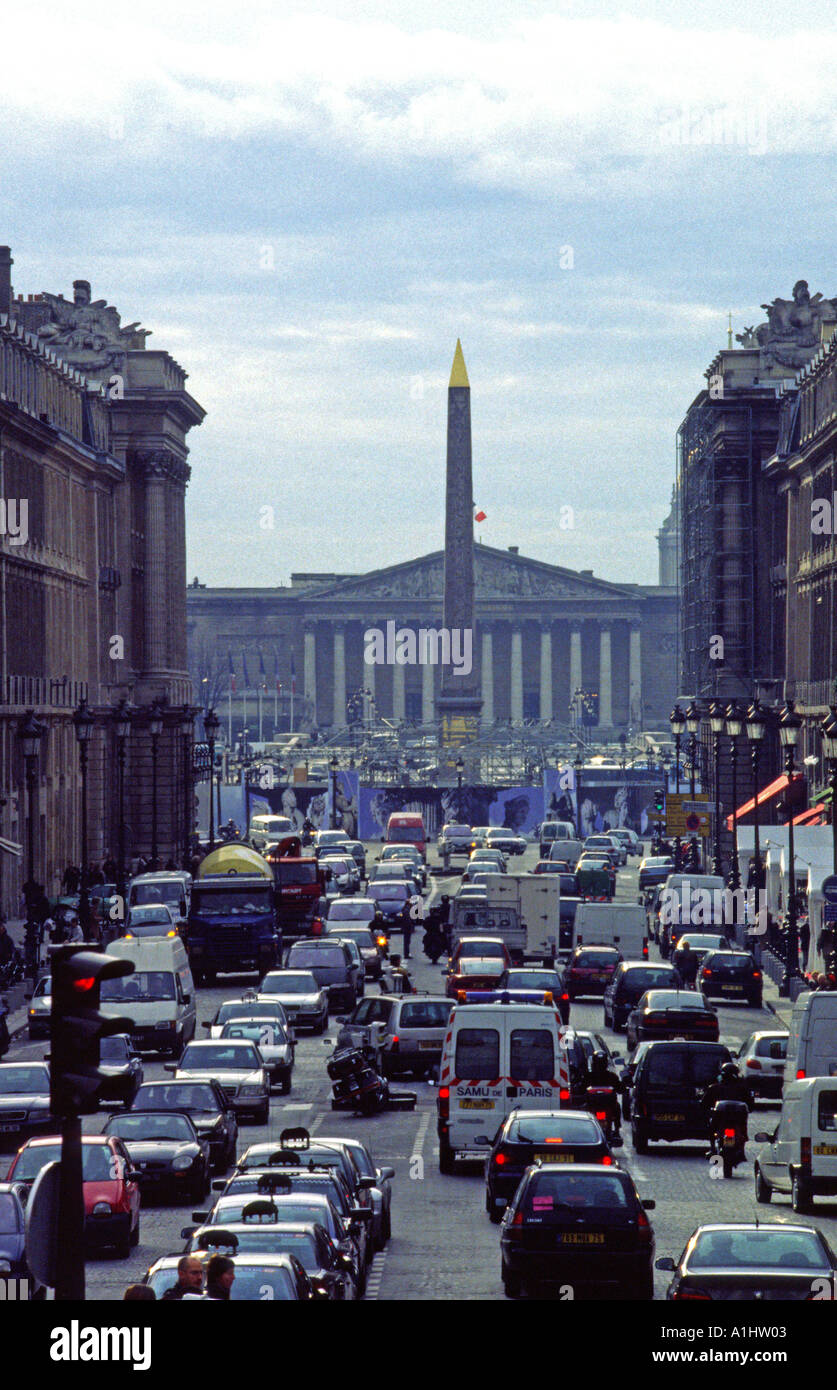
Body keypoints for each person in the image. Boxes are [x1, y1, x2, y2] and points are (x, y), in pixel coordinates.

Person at [702, 1062, 750, 1155]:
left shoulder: (715, 1087)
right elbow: (751, 1104)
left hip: (725, 1119)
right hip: (730, 1120)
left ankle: (712, 1148)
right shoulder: (742, 1088)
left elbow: (704, 1104)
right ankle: (739, 1149)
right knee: (713, 1128)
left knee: (712, 1129)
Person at [586, 1050, 624, 1140]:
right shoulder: (610, 1076)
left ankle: (617, 1130)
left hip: (607, 1107)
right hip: (594, 1107)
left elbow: (620, 1088)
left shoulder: (589, 1076)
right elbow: (620, 1088)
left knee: (617, 1107)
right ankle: (617, 1130)